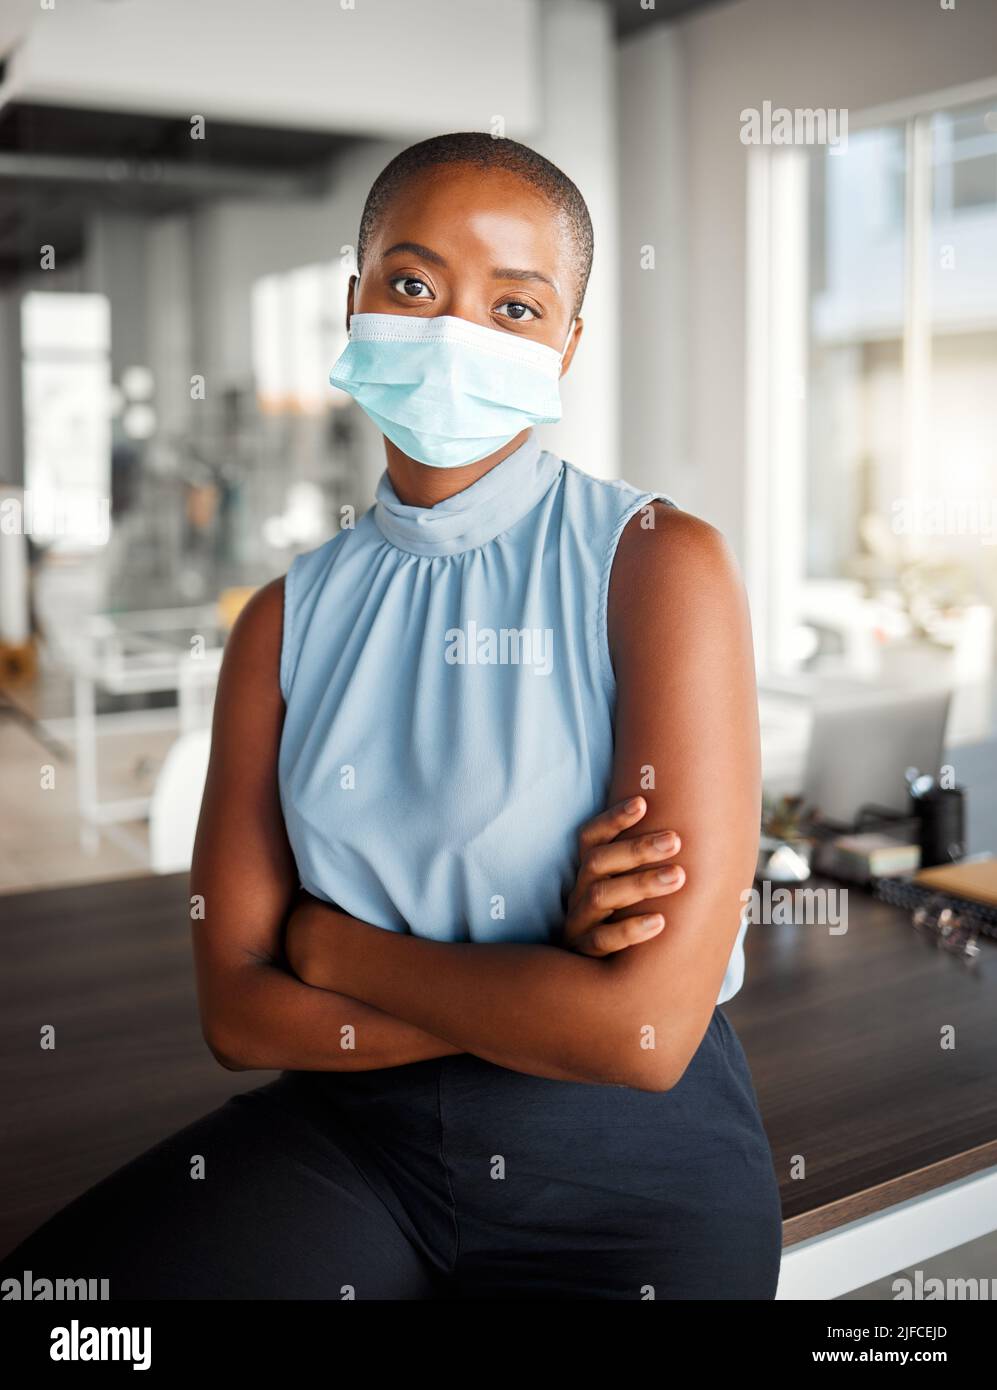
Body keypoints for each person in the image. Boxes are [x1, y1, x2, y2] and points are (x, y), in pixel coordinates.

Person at [0, 133, 782, 1300]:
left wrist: (336, 947)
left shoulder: (656, 566)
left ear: (566, 346)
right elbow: (241, 1013)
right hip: (354, 1140)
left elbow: (638, 1038)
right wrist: (537, 980)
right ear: (354, 301)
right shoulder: (282, 622)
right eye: (415, 286)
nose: (458, 335)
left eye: (516, 306)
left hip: (627, 1182)